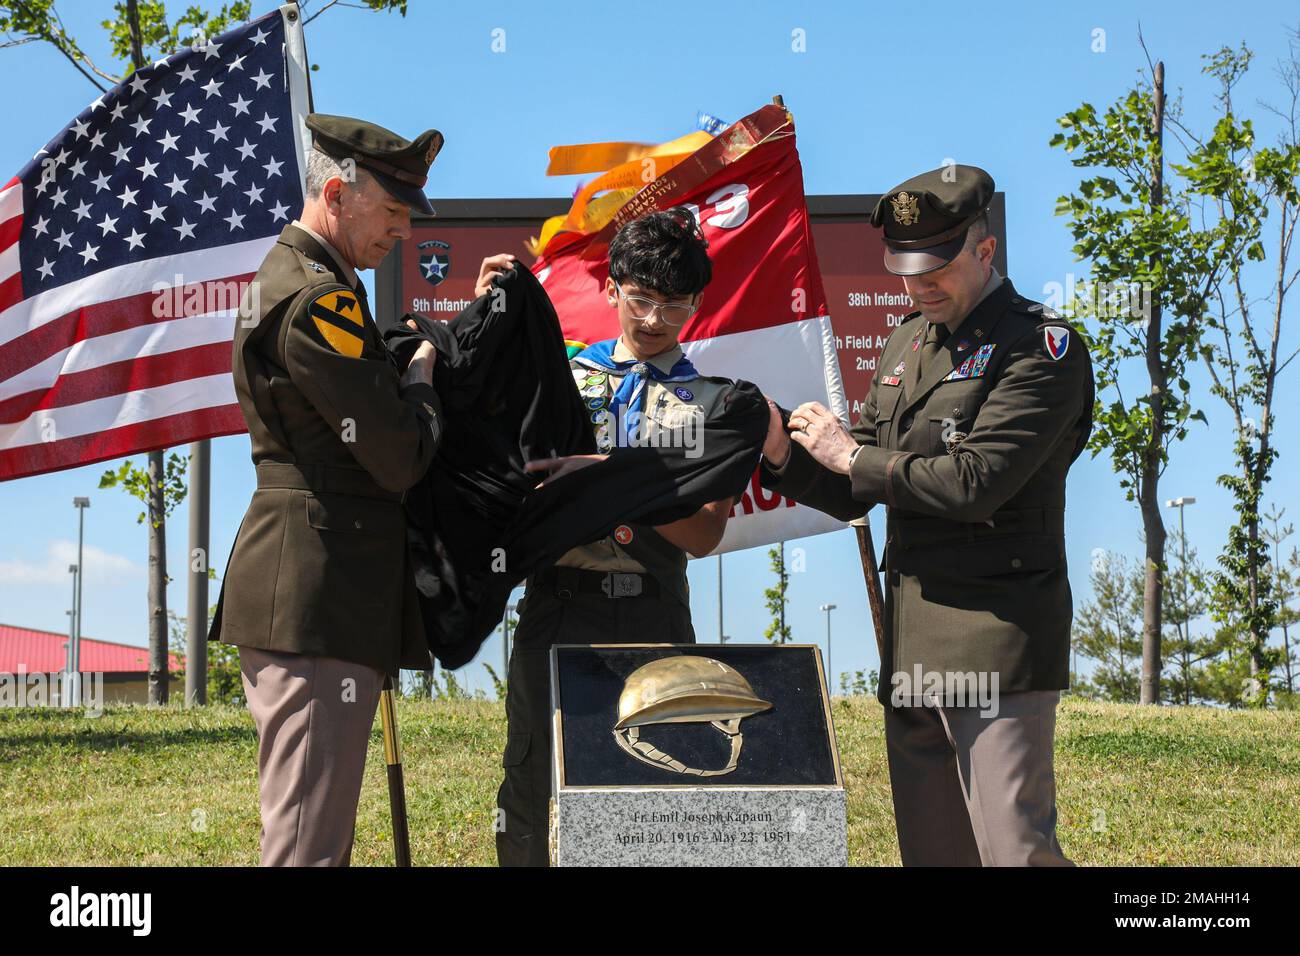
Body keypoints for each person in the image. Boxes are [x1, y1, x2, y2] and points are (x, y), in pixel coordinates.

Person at [760, 165, 1093, 866]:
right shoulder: (905, 344)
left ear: (985, 250)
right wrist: (783, 452)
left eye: (936, 267)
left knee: (1014, 852)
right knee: (934, 856)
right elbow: (863, 486)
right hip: (910, 643)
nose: (918, 285)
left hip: (992, 641)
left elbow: (975, 485)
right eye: (906, 269)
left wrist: (851, 456)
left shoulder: (1041, 347)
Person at [209, 113, 447, 866]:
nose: (404, 234)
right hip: (317, 595)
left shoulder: (314, 286)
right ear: (337, 194)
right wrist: (421, 384)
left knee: (314, 836)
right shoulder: (318, 301)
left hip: (319, 590)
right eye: (395, 212)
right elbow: (399, 455)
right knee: (308, 846)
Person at [488, 209, 735, 867]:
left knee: (651, 790)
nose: (654, 320)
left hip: (652, 610)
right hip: (556, 605)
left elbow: (706, 532)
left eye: (674, 305)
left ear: (697, 304)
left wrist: (616, 483)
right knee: (530, 783)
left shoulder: (715, 402)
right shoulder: (563, 376)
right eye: (641, 298)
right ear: (611, 288)